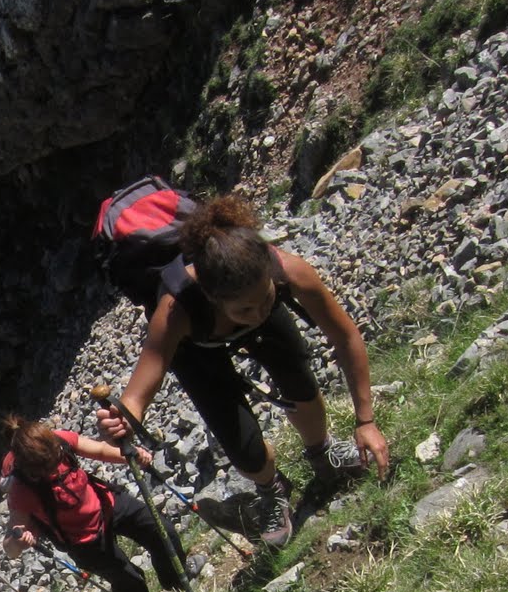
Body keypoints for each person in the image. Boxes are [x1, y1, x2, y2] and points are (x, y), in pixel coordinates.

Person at [98, 193, 389, 548]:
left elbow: (345, 337)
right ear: (211, 295)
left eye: (266, 298)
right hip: (196, 346)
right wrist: (123, 419)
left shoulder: (287, 270)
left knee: (299, 380)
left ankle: (321, 452)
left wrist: (365, 421)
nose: (259, 313)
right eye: (245, 310)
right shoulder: (176, 311)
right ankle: (271, 488)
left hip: (229, 316)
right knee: (243, 448)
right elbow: (139, 391)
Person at [0, 414, 173, 592]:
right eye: (47, 469)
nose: (55, 468)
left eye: (56, 460)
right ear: (31, 469)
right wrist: (18, 541)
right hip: (83, 541)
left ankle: (176, 582)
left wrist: (130, 455)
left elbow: (99, 450)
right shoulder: (21, 490)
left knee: (162, 531)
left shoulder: (59, 441)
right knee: (128, 579)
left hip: (105, 503)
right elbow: (10, 548)